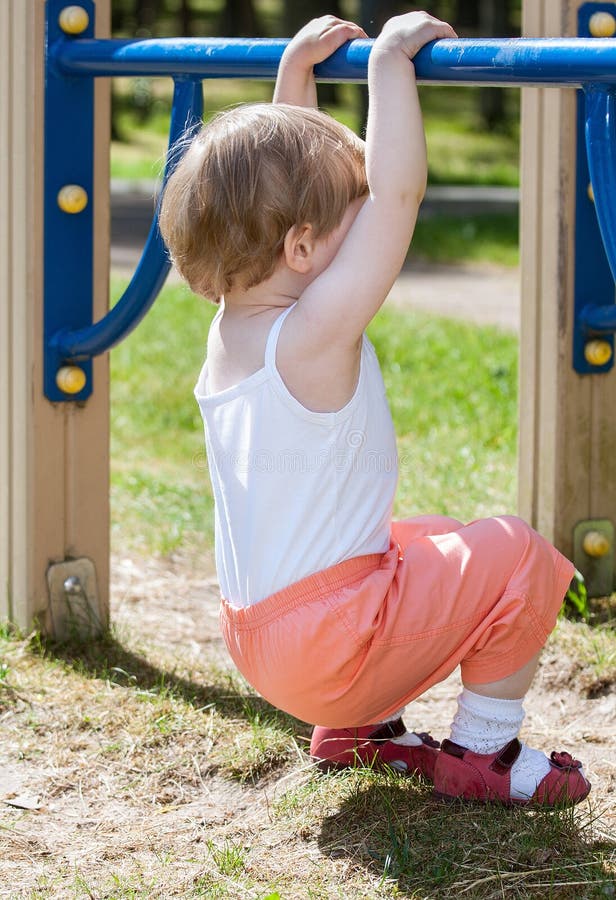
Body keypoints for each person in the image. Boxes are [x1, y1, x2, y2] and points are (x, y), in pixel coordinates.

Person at [158, 12, 591, 806]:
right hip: (333, 645)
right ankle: (483, 754)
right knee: (518, 555)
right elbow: (399, 191)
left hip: (260, 642)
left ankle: (361, 727)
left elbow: (284, 179)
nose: (367, 217)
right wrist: (389, 60)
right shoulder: (316, 334)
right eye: (348, 207)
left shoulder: (231, 329)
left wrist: (296, 73)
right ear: (300, 248)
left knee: (421, 540)